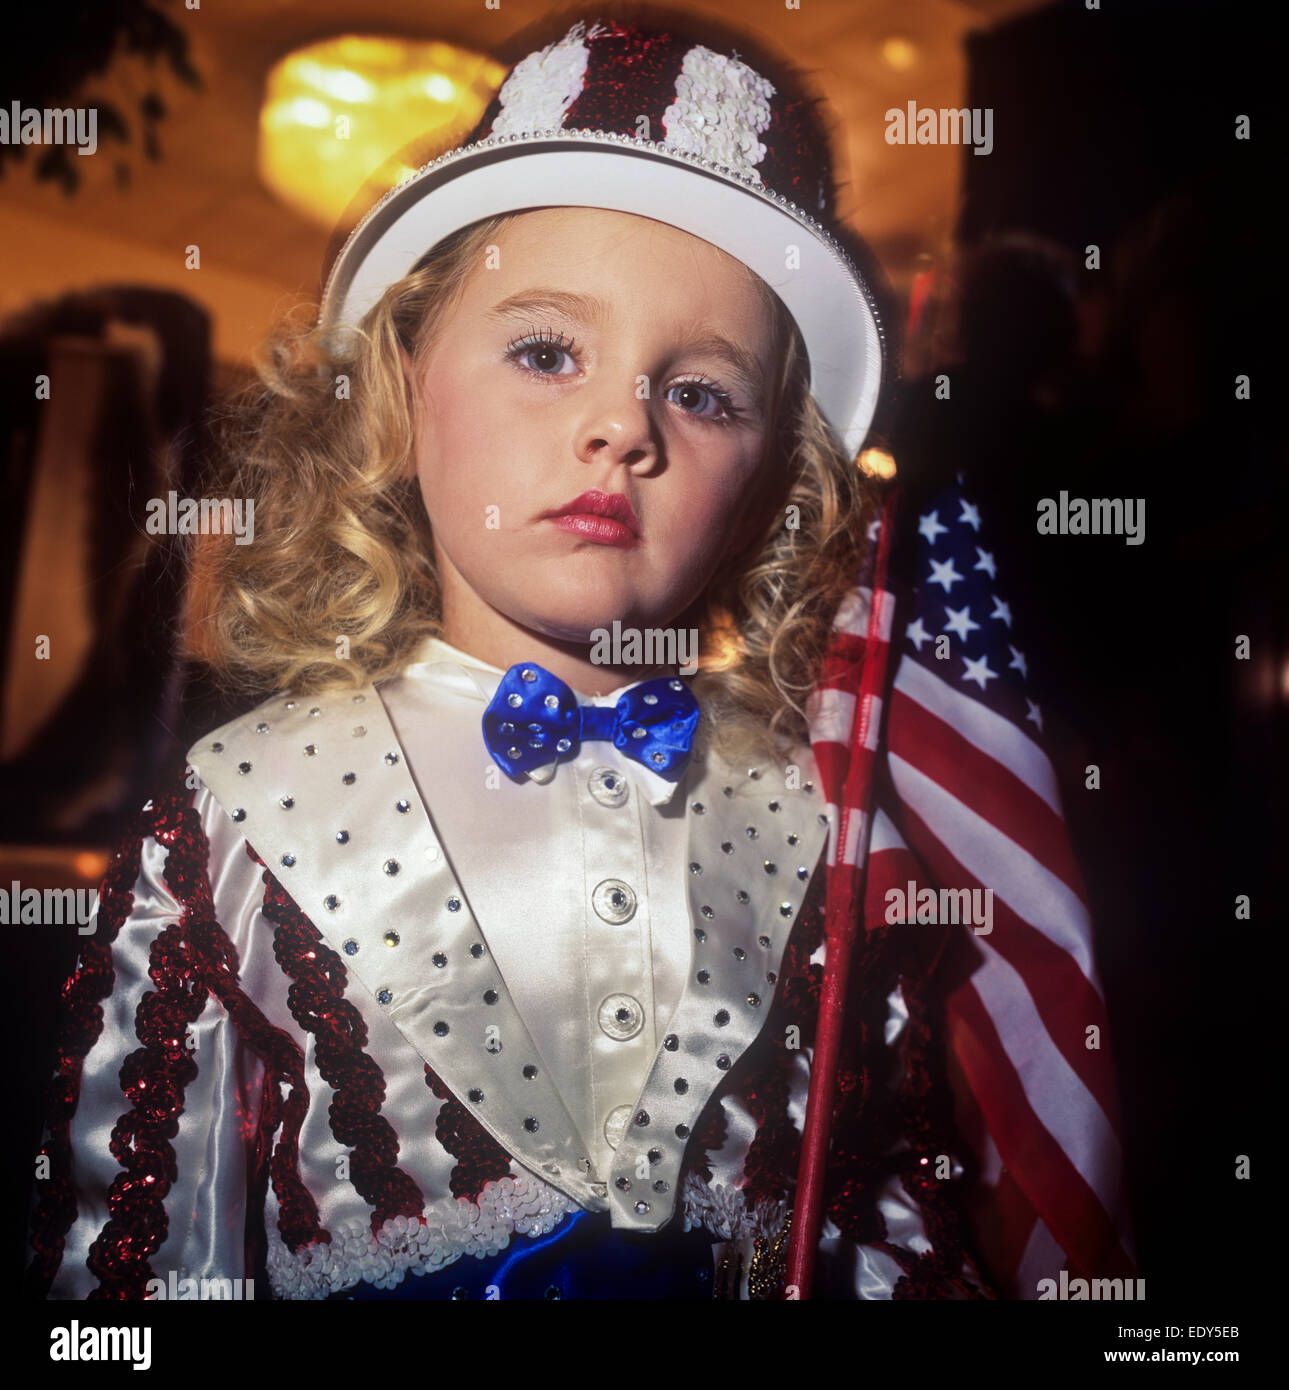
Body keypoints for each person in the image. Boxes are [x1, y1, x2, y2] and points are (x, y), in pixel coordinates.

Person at [25, 7, 1131, 1301]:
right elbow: (135, 1276)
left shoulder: (824, 819)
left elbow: (895, 1229)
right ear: (401, 383)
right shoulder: (247, 801)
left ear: (773, 482)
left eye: (702, 391)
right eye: (546, 351)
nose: (620, 422)